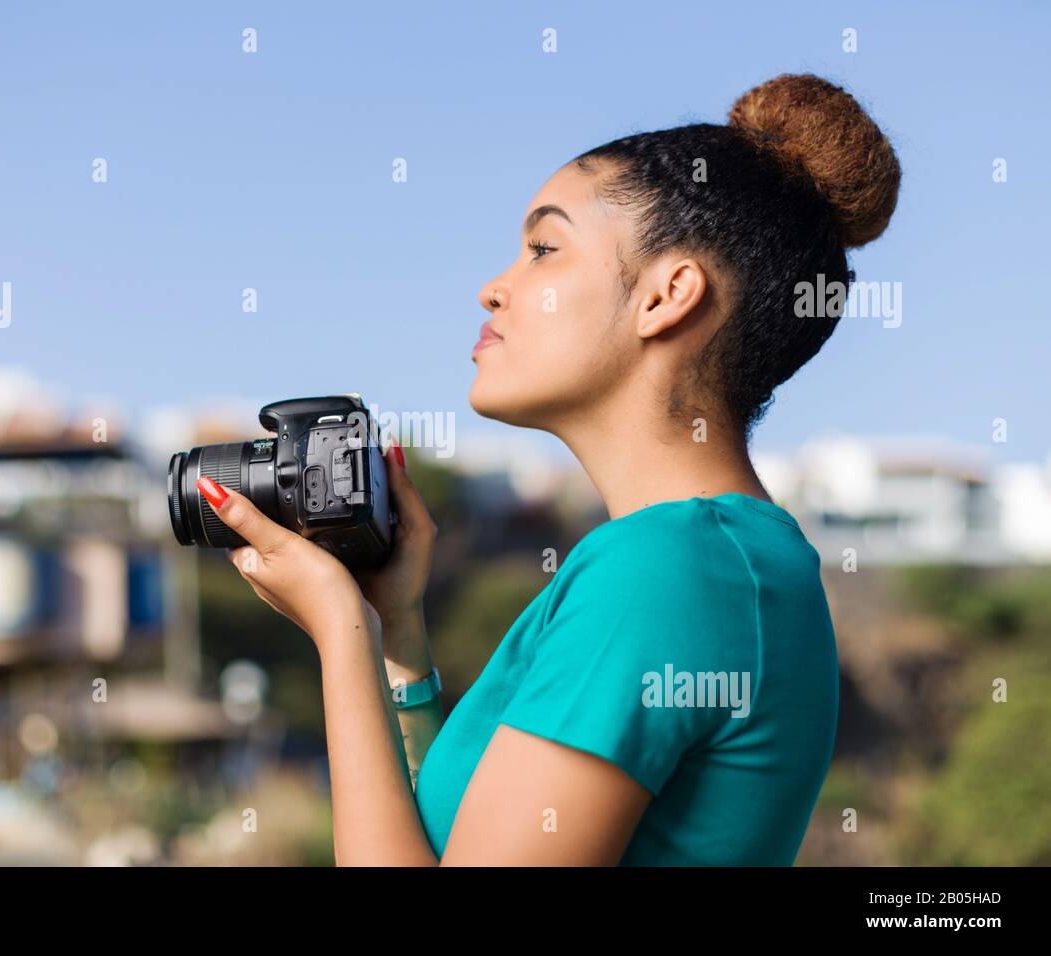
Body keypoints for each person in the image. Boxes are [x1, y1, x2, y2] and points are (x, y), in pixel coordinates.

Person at [195, 73, 900, 865]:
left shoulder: (670, 570)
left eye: (543, 249)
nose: (494, 288)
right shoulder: (726, 559)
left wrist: (337, 630)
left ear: (667, 296)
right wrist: (395, 635)